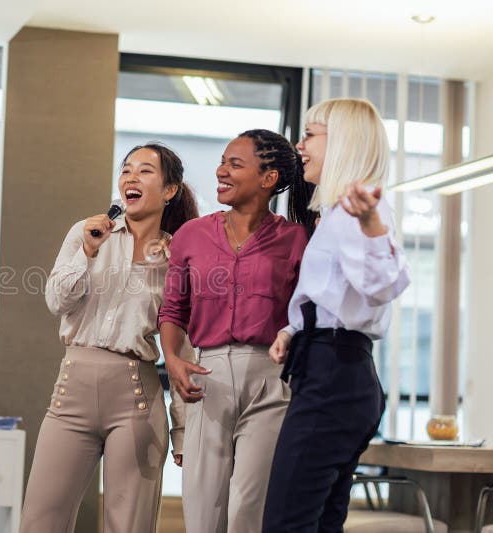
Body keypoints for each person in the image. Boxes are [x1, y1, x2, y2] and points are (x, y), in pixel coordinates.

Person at [19, 143, 198, 533]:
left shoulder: (177, 255)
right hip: (72, 391)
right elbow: (57, 301)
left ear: (170, 190)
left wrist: (183, 429)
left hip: (136, 395)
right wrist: (87, 249)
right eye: (127, 169)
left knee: (129, 524)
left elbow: (183, 347)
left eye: (146, 171)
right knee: (39, 520)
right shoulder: (89, 232)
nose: (131, 177)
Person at [261, 98, 410, 532]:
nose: (299, 145)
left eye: (310, 134)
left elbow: (384, 287)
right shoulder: (334, 214)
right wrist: (292, 330)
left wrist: (371, 225)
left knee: (287, 523)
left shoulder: (361, 210)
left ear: (341, 141)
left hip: (334, 376)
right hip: (331, 368)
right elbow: (336, 297)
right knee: (320, 521)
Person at [158, 129, 312, 533]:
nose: (221, 170)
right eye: (223, 161)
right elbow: (174, 308)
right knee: (203, 506)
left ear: (269, 179)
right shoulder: (192, 235)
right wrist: (173, 359)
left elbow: (304, 318)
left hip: (271, 378)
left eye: (234, 164)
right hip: (205, 375)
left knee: (250, 507)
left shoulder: (297, 240)